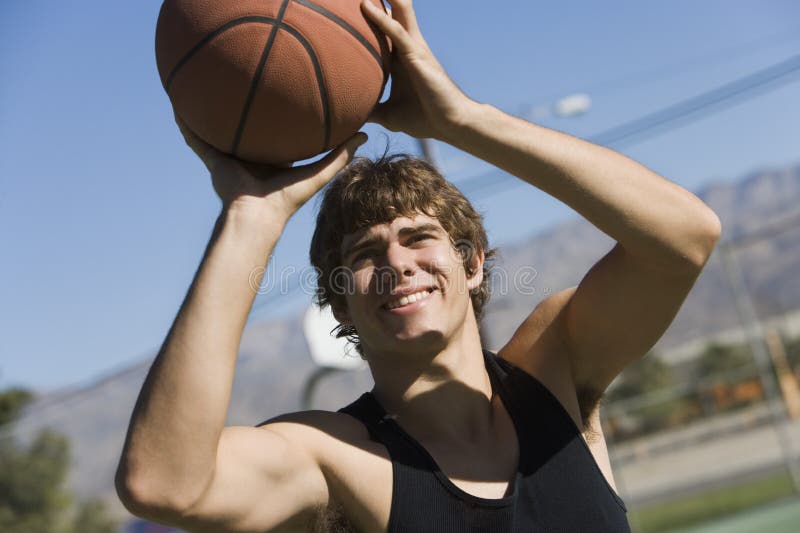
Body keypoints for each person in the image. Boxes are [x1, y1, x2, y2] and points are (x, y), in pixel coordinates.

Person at [116, 0, 722, 531]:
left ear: (473, 264)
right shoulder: (334, 458)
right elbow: (163, 485)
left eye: (418, 237)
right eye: (365, 254)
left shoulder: (554, 370)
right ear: (339, 302)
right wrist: (252, 217)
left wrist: (463, 119)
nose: (397, 264)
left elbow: (686, 238)